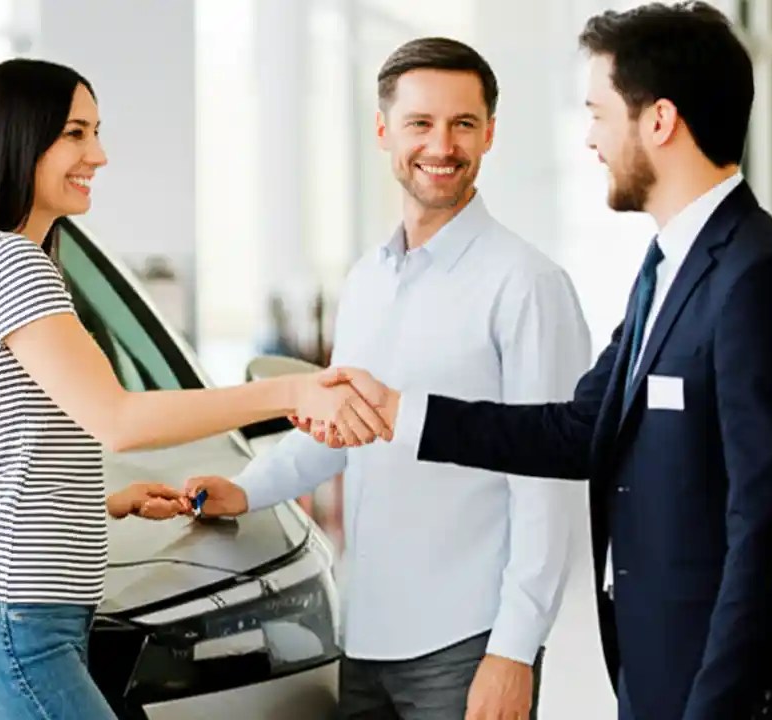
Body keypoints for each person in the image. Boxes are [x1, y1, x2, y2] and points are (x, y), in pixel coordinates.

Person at [305, 4, 772, 719]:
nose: (590, 138)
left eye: (598, 113)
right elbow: (576, 430)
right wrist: (398, 412)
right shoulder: (667, 268)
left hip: (733, 697)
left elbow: (768, 533)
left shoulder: (757, 278)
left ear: (659, 121)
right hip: (660, 674)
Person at [0, 58, 389, 720]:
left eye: (96, 132)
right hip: (15, 623)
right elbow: (118, 419)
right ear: (20, 139)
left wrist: (97, 502)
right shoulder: (11, 264)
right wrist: (296, 392)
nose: (99, 155)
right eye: (76, 133)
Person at [185, 37, 590, 720]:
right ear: (383, 130)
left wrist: (514, 651)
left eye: (463, 124)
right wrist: (245, 490)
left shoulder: (527, 285)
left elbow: (548, 484)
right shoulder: (367, 278)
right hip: (365, 636)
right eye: (420, 122)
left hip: (468, 643)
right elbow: (339, 433)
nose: (442, 145)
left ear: (490, 133)